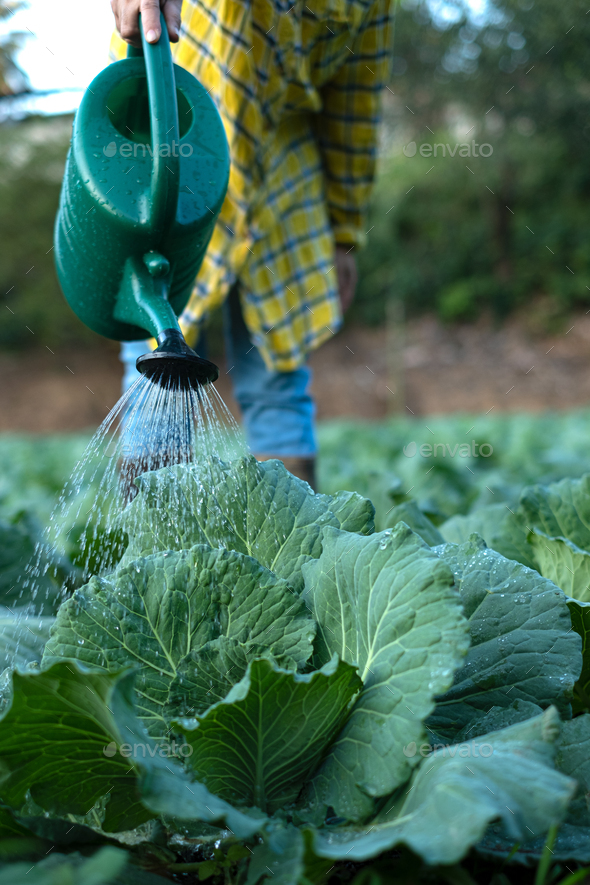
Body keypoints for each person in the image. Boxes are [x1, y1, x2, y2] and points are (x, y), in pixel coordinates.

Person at [111, 0, 392, 489]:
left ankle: (286, 554)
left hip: (281, 183)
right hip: (167, 151)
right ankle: (150, 556)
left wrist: (344, 234)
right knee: (156, 372)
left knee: (276, 376)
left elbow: (355, 102)